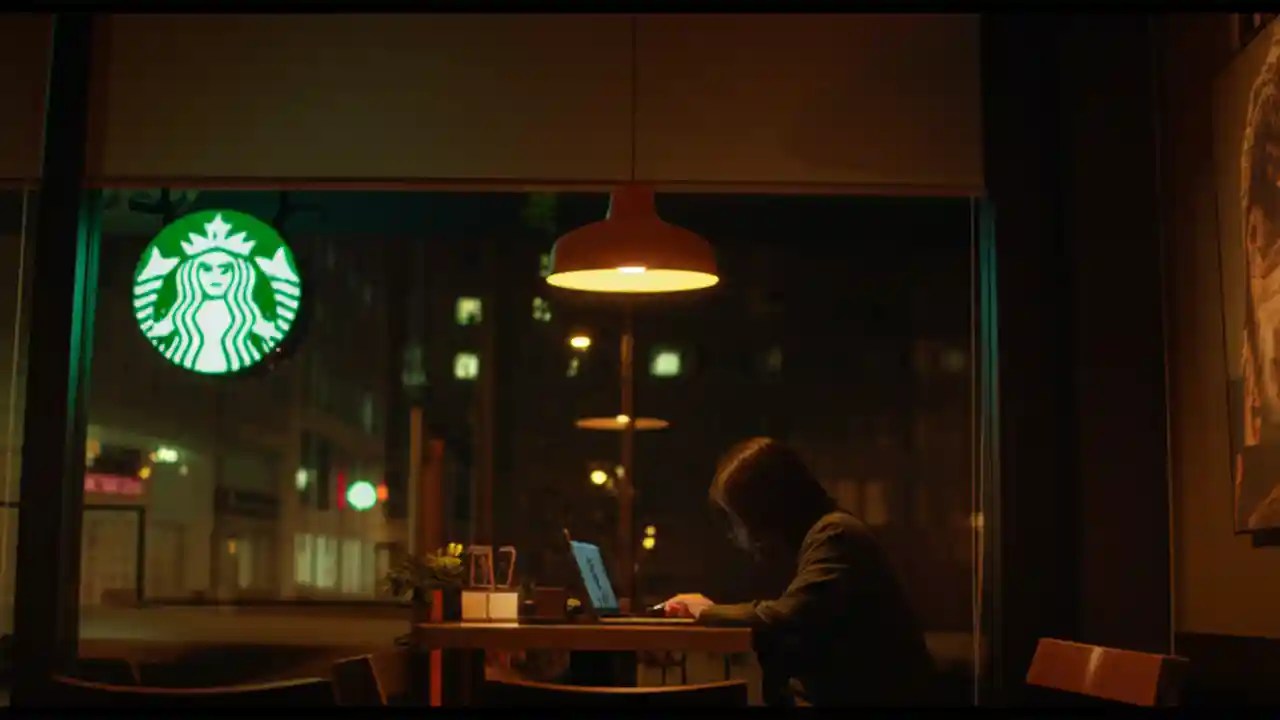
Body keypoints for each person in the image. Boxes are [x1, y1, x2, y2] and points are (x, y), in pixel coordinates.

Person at [662, 437, 937, 707]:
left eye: (736, 519)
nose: (735, 535)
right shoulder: (824, 536)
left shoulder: (835, 535)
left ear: (762, 512)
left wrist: (705, 611)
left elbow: (783, 618)